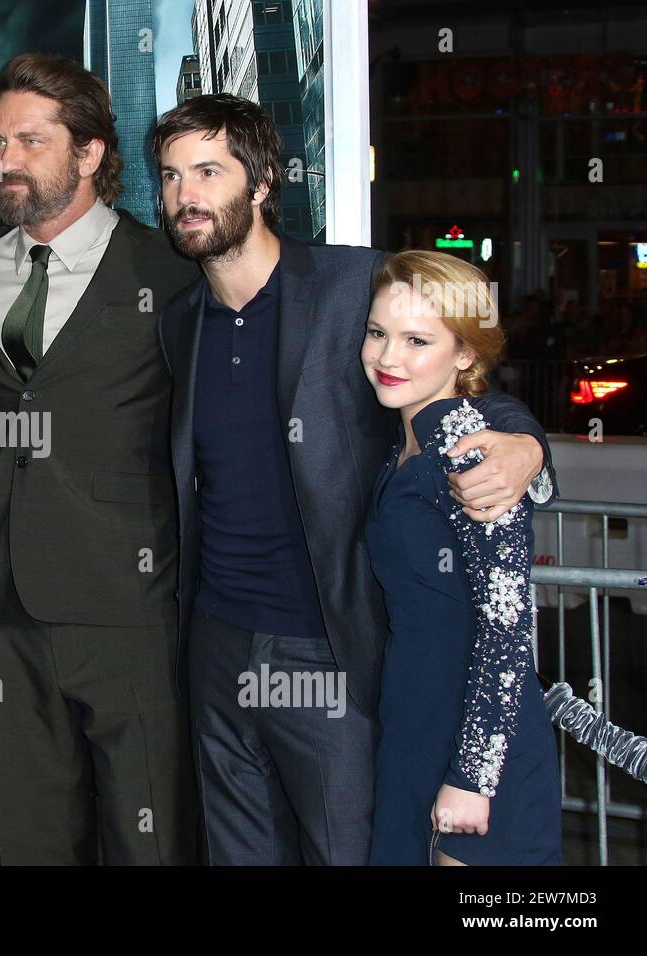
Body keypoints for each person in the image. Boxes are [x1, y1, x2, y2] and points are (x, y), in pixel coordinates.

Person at [154, 94, 557, 865]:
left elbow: (461, 371)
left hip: (329, 651)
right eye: (171, 176)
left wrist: (527, 450)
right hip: (214, 646)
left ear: (263, 180)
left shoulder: (353, 286)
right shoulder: (177, 321)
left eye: (208, 170)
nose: (186, 195)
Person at [0, 53, 199, 865]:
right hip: (1, 602)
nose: (3, 160)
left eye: (29, 140)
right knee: (26, 835)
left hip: (127, 601)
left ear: (89, 153)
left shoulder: (171, 272)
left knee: (145, 832)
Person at [363, 251, 561, 865]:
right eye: (377, 333)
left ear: (467, 354)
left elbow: (507, 624)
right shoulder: (405, 436)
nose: (388, 357)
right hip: (415, 724)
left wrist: (474, 777)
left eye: (416, 340)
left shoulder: (469, 445)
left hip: (479, 742)